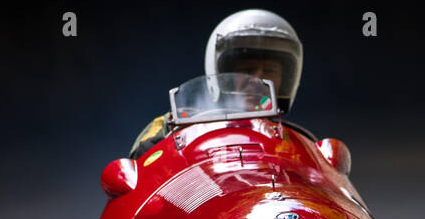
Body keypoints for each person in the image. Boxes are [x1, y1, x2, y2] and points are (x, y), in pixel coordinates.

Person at [128, 9, 303, 160]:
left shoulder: (297, 143)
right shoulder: (170, 130)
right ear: (222, 73)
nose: (258, 81)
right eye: (247, 71)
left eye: (270, 71)